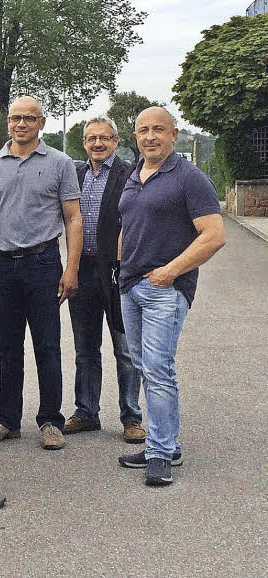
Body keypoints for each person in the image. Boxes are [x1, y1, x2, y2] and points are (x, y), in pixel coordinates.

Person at [116, 106, 225, 486]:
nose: (150, 136)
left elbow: (214, 235)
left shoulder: (190, 178)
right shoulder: (136, 174)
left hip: (165, 290)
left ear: (173, 134)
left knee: (159, 370)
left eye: (158, 129)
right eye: (143, 130)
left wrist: (170, 272)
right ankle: (166, 443)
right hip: (130, 286)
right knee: (147, 368)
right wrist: (122, 264)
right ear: (135, 136)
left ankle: (160, 453)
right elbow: (130, 224)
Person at [0, 96, 83, 451]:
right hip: (1, 266)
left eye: (29, 119)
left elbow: (73, 218)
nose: (22, 125)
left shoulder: (60, 164)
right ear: (7, 121)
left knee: (48, 345)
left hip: (44, 264)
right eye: (16, 118)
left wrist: (72, 268)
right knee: (6, 346)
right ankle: (7, 420)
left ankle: (50, 420)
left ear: (41, 123)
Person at [65, 115, 145, 443]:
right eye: (91, 139)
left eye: (105, 138)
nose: (98, 144)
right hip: (82, 270)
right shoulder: (75, 174)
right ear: (83, 143)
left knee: (125, 349)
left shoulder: (131, 175)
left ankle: (131, 417)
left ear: (115, 141)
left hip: (118, 273)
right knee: (85, 349)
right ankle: (86, 412)